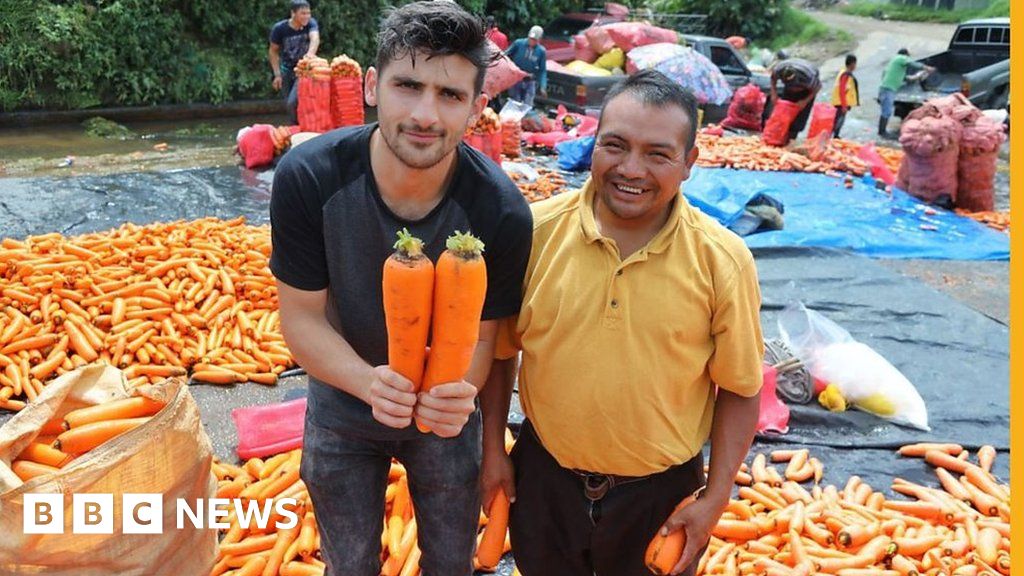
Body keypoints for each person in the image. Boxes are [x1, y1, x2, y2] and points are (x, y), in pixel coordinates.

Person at [268, 2, 533, 574]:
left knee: (450, 561)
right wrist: (368, 383)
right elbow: (302, 320)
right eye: (407, 85)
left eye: (450, 95)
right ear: (371, 85)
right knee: (350, 562)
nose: (424, 114)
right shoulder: (309, 177)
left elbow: (484, 340)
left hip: (445, 416)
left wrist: (456, 389)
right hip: (342, 398)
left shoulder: (501, 210)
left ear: (478, 109)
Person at [479, 69, 764, 576]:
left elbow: (741, 389)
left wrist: (717, 496)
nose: (631, 169)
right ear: (592, 145)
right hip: (543, 480)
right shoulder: (535, 232)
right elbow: (500, 353)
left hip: (661, 496)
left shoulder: (723, 259)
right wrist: (493, 450)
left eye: (658, 153)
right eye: (615, 145)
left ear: (690, 163)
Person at [269, 0, 320, 124]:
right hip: (286, 69)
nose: (306, 16)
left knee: (293, 102)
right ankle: (295, 128)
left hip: (304, 70)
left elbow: (315, 38)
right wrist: (277, 75)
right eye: (303, 13)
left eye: (308, 13)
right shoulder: (280, 29)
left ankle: (302, 128)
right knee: (289, 104)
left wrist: (310, 54)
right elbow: (273, 51)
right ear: (293, 13)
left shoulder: (311, 24)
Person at [878, 48, 935, 139]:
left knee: (886, 111)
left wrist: (918, 76)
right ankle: (882, 132)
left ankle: (882, 131)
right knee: (887, 111)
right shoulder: (900, 58)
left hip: (887, 89)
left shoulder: (895, 66)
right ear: (905, 55)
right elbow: (912, 63)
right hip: (888, 89)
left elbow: (908, 78)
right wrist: (926, 68)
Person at [765, 57, 821, 144]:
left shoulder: (808, 77)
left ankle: (791, 140)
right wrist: (774, 94)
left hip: (805, 92)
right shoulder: (779, 70)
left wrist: (805, 101)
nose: (794, 89)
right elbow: (773, 79)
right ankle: (777, 138)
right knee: (783, 115)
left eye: (795, 87)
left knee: (798, 119)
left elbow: (817, 88)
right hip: (788, 91)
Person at [505, 26, 547, 107]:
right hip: (516, 78)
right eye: (530, 39)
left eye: (535, 40)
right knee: (514, 104)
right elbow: (505, 55)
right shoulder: (518, 44)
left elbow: (542, 70)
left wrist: (543, 86)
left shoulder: (541, 51)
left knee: (527, 106)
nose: (532, 41)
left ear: (539, 40)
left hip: (530, 81)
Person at [831, 54, 859, 138]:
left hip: (840, 102)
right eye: (855, 64)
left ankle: (835, 136)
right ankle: (834, 137)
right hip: (841, 103)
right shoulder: (845, 74)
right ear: (852, 64)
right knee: (838, 121)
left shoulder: (843, 72)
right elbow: (842, 91)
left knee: (838, 120)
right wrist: (844, 106)